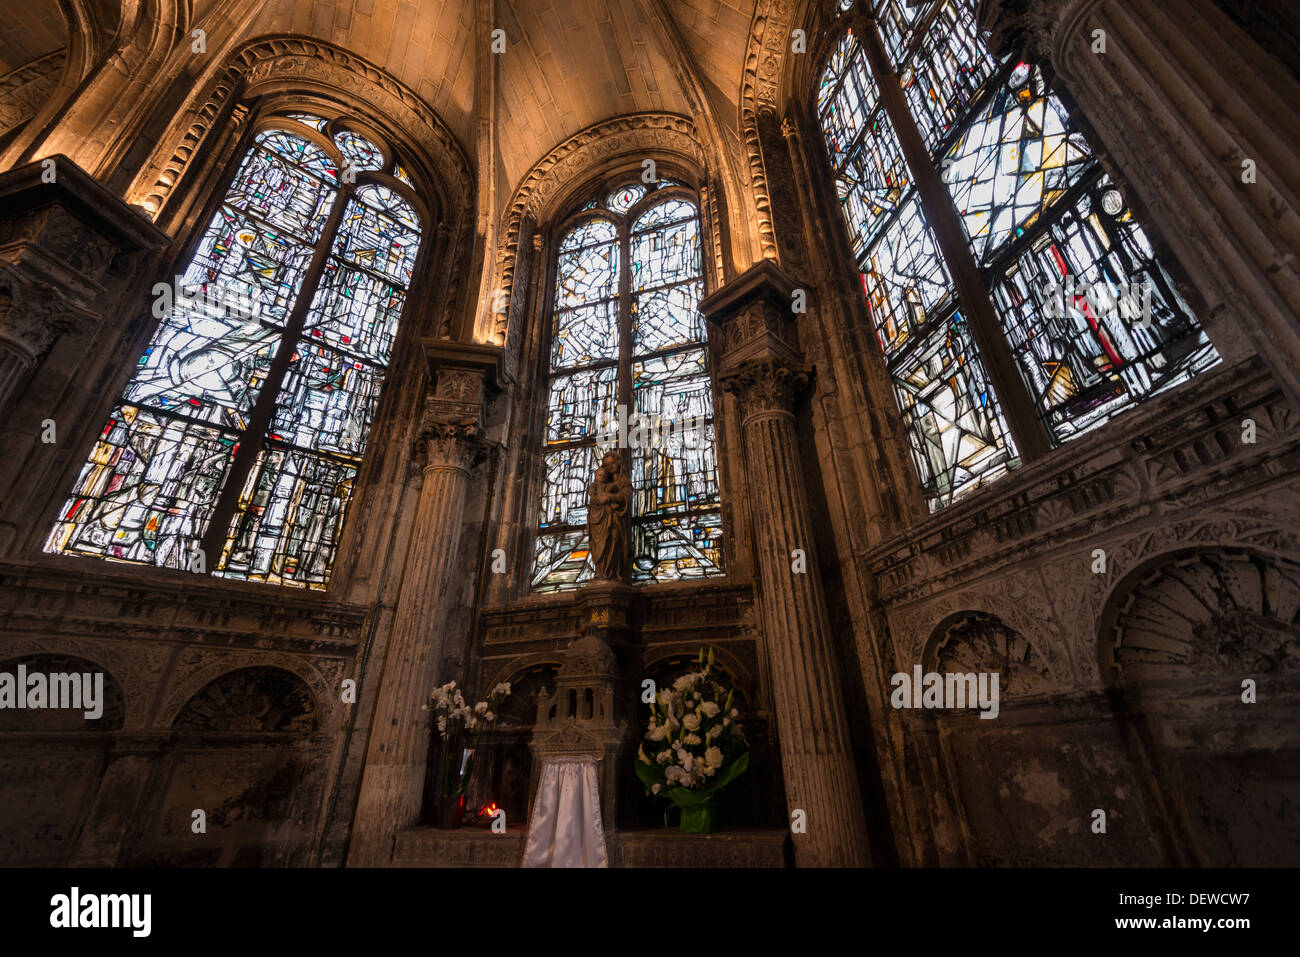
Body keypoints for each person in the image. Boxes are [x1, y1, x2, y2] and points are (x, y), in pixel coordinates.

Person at [587, 450, 631, 581]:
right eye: (606, 464)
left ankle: (611, 572)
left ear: (618, 463)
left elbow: (626, 498)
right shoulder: (601, 484)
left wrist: (610, 497)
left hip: (616, 521)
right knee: (601, 545)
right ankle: (600, 571)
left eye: (612, 463)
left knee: (613, 542)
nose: (610, 467)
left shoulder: (623, 482)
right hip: (600, 521)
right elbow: (594, 497)